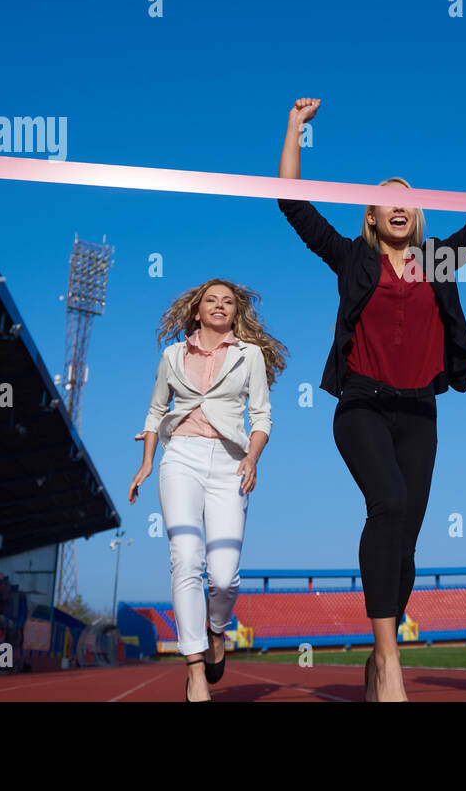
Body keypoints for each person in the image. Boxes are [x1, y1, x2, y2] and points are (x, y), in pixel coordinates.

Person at [277, 96, 466, 701]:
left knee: (406, 536)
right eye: (387, 199)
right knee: (386, 503)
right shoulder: (351, 259)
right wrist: (294, 130)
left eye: (408, 198)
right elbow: (291, 204)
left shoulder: (440, 259)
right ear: (371, 217)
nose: (400, 206)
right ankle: (388, 660)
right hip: (360, 404)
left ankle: (378, 653)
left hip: (419, 410)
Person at [129, 278, 286, 702]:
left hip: (231, 464)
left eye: (228, 301)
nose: (219, 305)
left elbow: (262, 415)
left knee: (223, 575)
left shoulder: (248, 356)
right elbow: (156, 409)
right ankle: (195, 669)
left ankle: (217, 629)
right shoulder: (172, 355)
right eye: (211, 300)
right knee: (184, 558)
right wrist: (147, 462)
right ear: (197, 311)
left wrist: (252, 458)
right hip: (180, 457)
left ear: (236, 312)